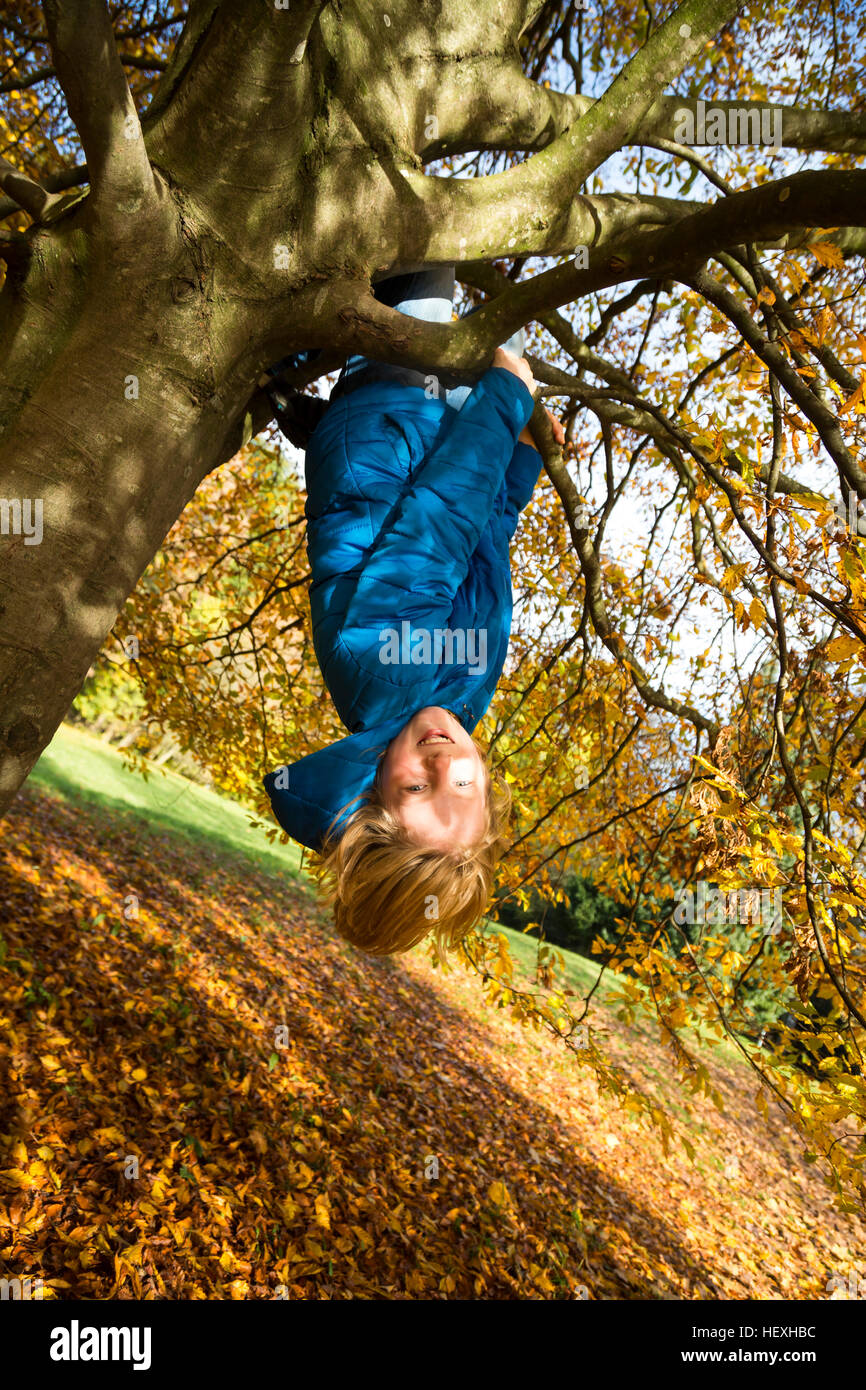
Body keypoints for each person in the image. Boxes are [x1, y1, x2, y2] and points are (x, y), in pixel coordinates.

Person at [262, 266, 564, 956]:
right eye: (460, 784)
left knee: (429, 249)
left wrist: (504, 399)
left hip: (400, 426)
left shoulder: (392, 680)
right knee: (501, 323)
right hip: (425, 438)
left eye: (416, 791)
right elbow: (487, 544)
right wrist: (521, 461)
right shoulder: (461, 702)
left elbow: (443, 520)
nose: (441, 762)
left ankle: (333, 380)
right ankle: (312, 395)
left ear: (374, 798)